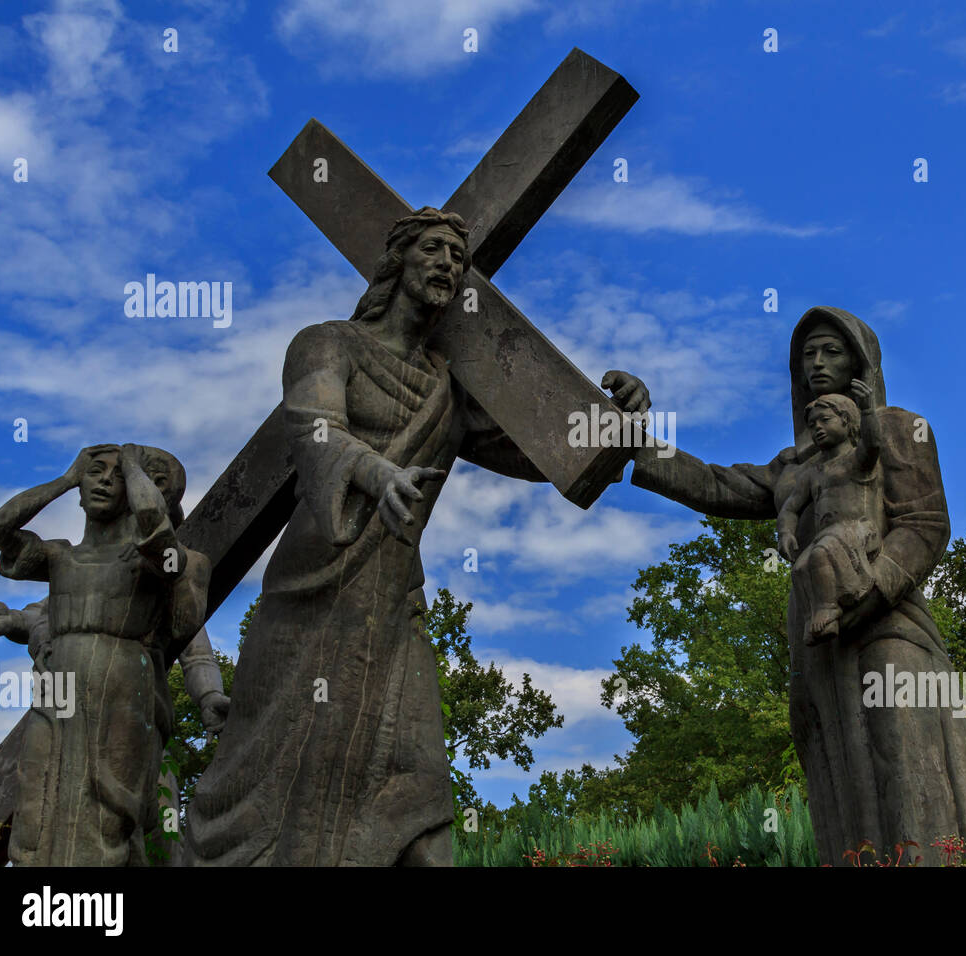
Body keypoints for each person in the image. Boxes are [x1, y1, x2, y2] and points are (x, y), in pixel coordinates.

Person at [184, 207, 648, 866]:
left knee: (417, 776)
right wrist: (375, 472)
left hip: (394, 603)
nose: (447, 265)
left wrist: (614, 421)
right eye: (432, 249)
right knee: (272, 774)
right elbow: (316, 429)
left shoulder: (445, 389)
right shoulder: (327, 343)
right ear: (397, 259)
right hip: (313, 592)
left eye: (457, 259)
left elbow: (542, 454)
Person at [629, 307, 966, 866]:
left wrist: (868, 592)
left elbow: (925, 524)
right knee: (836, 773)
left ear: (860, 362)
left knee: (903, 755)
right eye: (808, 354)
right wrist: (630, 437)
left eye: (832, 351)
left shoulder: (896, 430)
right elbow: (715, 484)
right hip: (819, 643)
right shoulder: (795, 467)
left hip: (889, 624)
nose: (818, 363)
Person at [0, 443, 209, 865]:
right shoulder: (60, 556)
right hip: (56, 690)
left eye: (117, 473)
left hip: (122, 689)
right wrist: (68, 478)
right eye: (95, 471)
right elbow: (0, 527)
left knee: (110, 813)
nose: (103, 480)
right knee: (36, 805)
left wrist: (135, 470)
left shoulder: (167, 562)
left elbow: (156, 536)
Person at [777, 384, 883, 644]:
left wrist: (868, 409)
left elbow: (873, 444)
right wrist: (785, 532)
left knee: (820, 553)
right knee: (800, 568)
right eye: (812, 425)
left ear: (847, 422)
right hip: (831, 536)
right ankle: (819, 618)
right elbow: (790, 507)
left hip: (861, 530)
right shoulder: (812, 473)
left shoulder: (856, 460)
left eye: (825, 420)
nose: (817, 428)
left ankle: (828, 609)